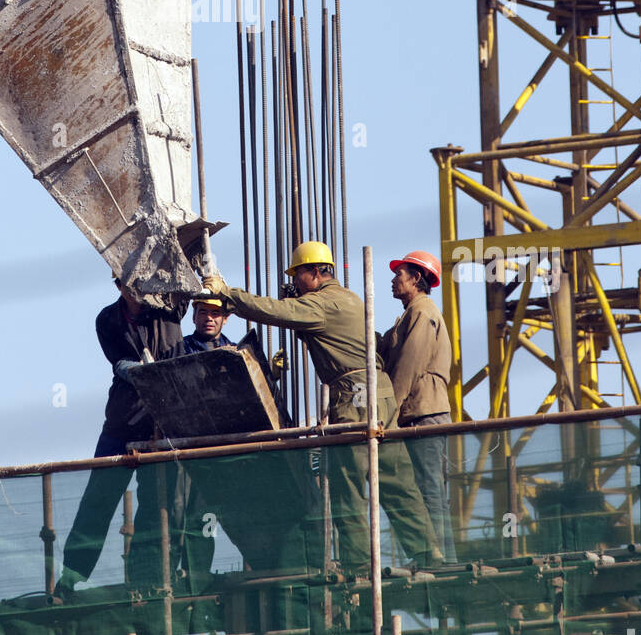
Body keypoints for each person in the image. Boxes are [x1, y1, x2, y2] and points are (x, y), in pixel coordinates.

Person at [206, 242, 442, 573]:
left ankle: (359, 564)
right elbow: (321, 330)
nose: (296, 282)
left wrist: (228, 294)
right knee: (396, 481)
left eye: (298, 275)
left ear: (315, 273)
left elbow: (274, 312)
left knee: (348, 484)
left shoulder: (322, 304)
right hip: (381, 393)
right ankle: (429, 555)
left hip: (354, 396)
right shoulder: (349, 299)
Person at [56, 278, 188, 594]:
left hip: (165, 423)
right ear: (118, 285)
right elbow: (117, 362)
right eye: (129, 283)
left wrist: (195, 251)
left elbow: (184, 287)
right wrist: (139, 372)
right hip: (123, 422)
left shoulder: (167, 310)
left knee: (159, 505)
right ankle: (72, 575)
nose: (136, 289)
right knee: (98, 499)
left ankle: (151, 578)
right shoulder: (108, 319)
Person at [379, 250, 456, 562]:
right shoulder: (411, 314)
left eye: (400, 274)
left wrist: (388, 414)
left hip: (424, 414)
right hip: (419, 414)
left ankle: (443, 558)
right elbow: (383, 346)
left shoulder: (422, 313)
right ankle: (434, 554)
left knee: (428, 490)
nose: (394, 279)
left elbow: (407, 367)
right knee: (424, 489)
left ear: (417, 278)